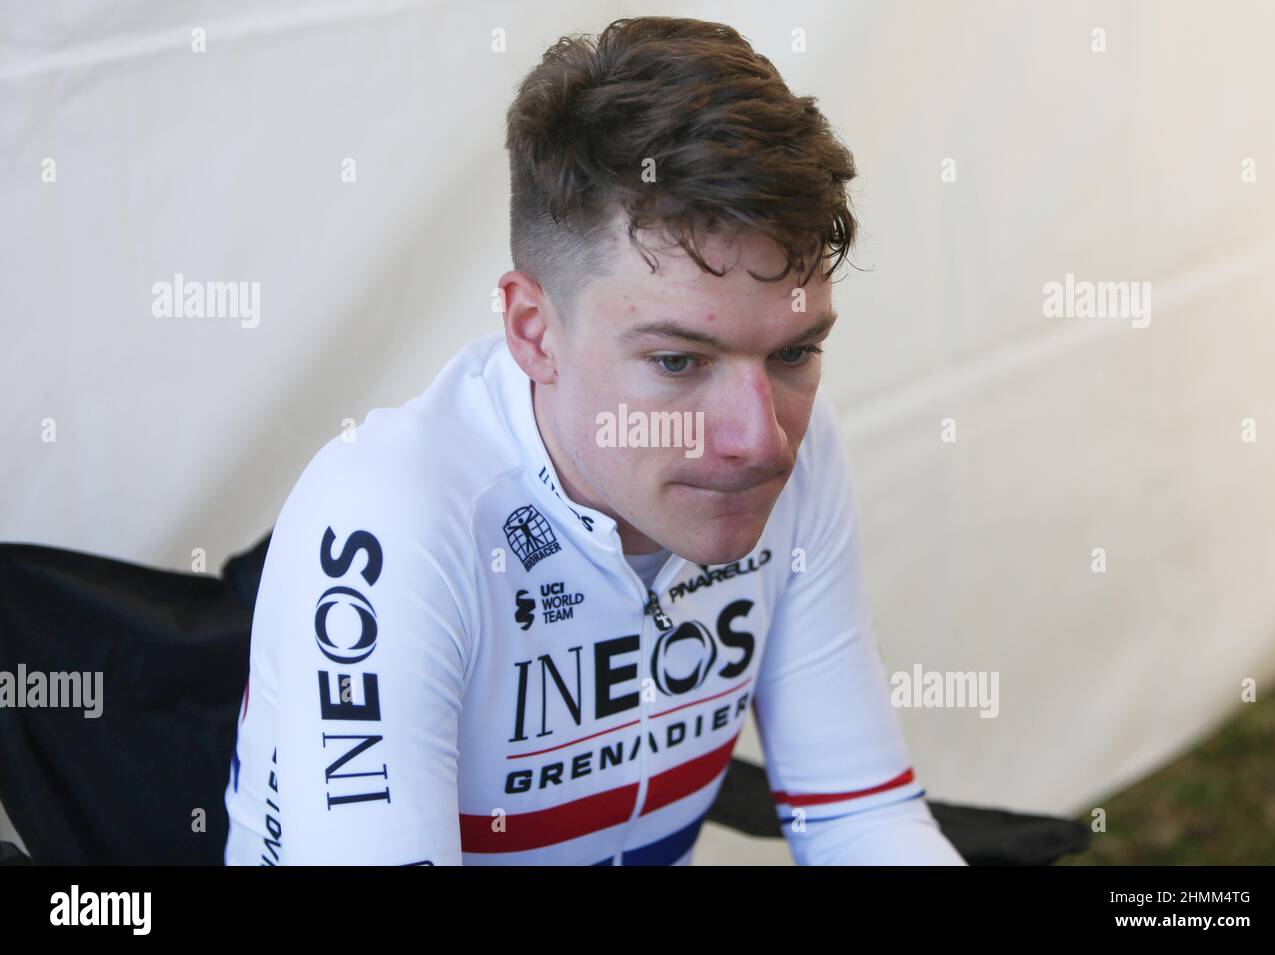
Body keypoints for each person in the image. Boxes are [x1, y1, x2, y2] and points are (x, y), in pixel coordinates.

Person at [223, 15, 966, 866]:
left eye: (794, 351)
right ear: (534, 331)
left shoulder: (801, 448)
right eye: (679, 359)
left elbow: (858, 817)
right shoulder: (391, 516)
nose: (759, 439)